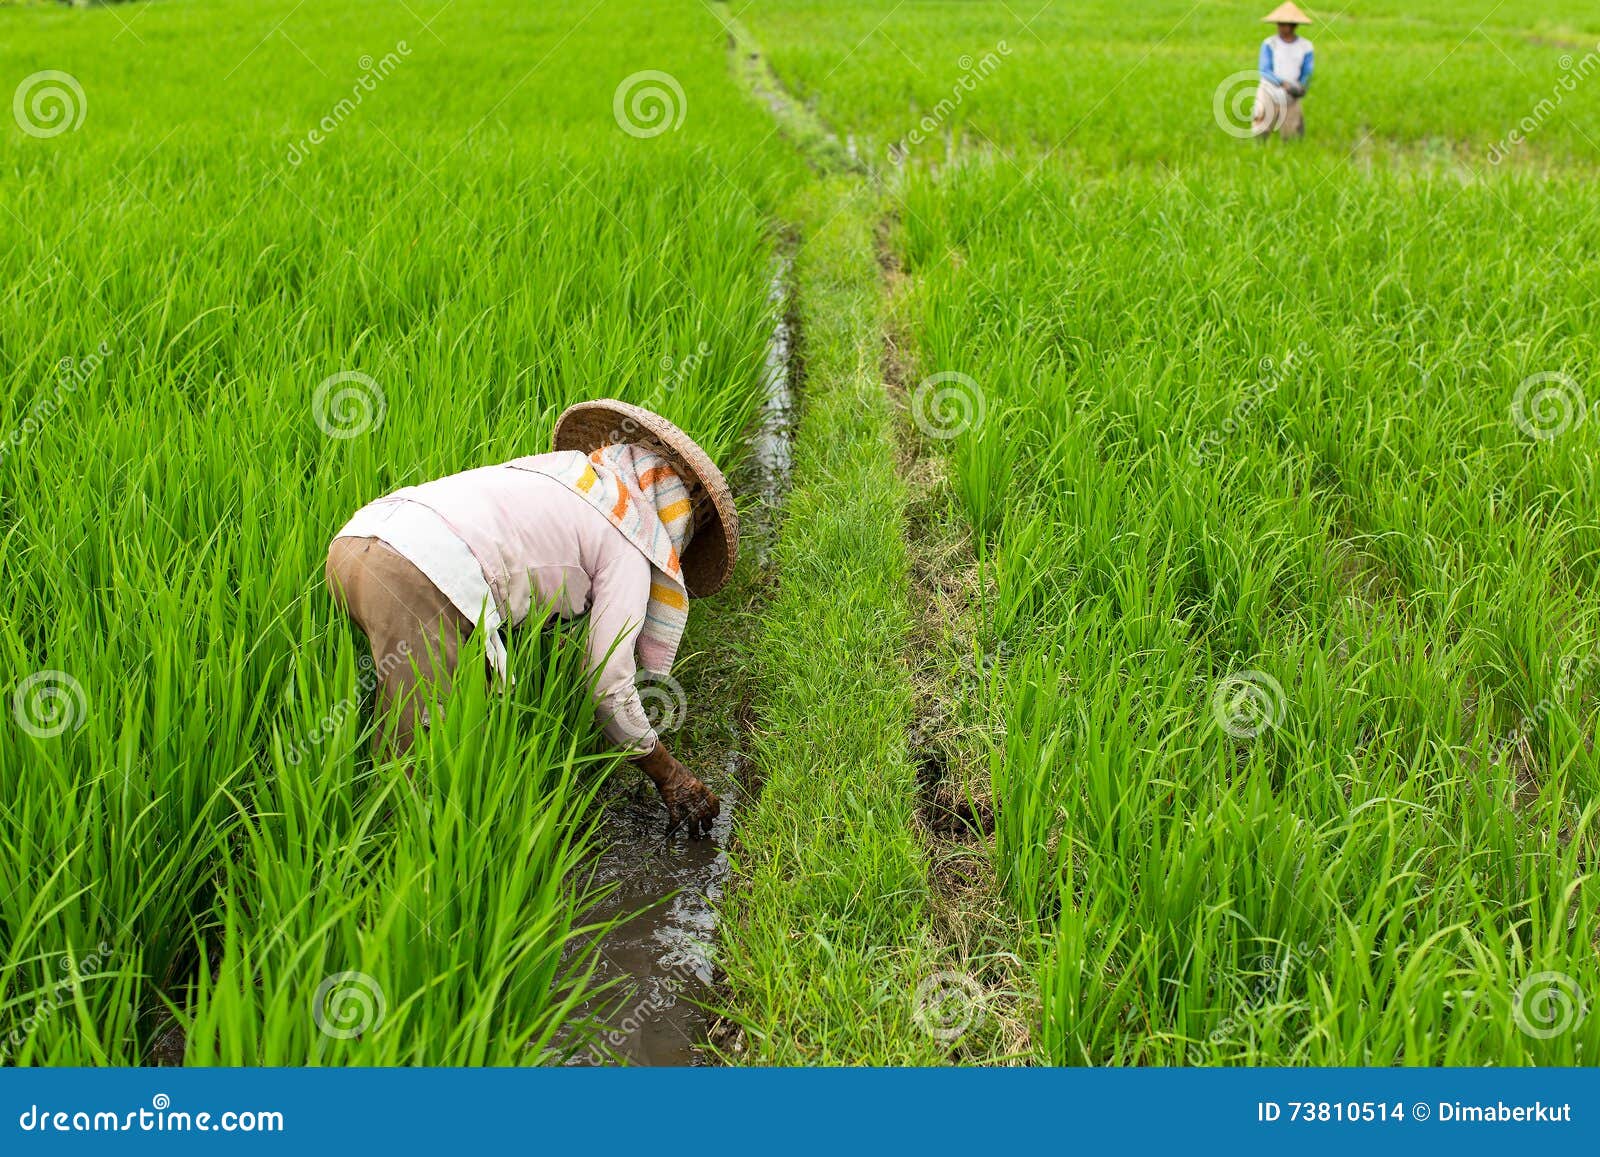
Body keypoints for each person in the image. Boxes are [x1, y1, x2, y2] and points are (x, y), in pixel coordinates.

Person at [324, 399, 735, 838]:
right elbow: (607, 683)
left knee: (409, 720)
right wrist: (670, 775)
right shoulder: (628, 541)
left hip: (354, 544)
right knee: (428, 762)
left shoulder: (557, 477)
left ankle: (374, 842)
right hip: (419, 575)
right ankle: (408, 872)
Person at [1253, 3, 1315, 140]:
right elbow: (1265, 69)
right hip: (1269, 89)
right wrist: (1282, 83)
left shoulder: (1305, 46)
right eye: (1279, 24)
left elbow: (1307, 71)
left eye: (1284, 24)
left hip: (1291, 92)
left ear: (1294, 26)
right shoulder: (1270, 43)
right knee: (1261, 127)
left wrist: (1302, 86)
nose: (1281, 27)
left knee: (1292, 132)